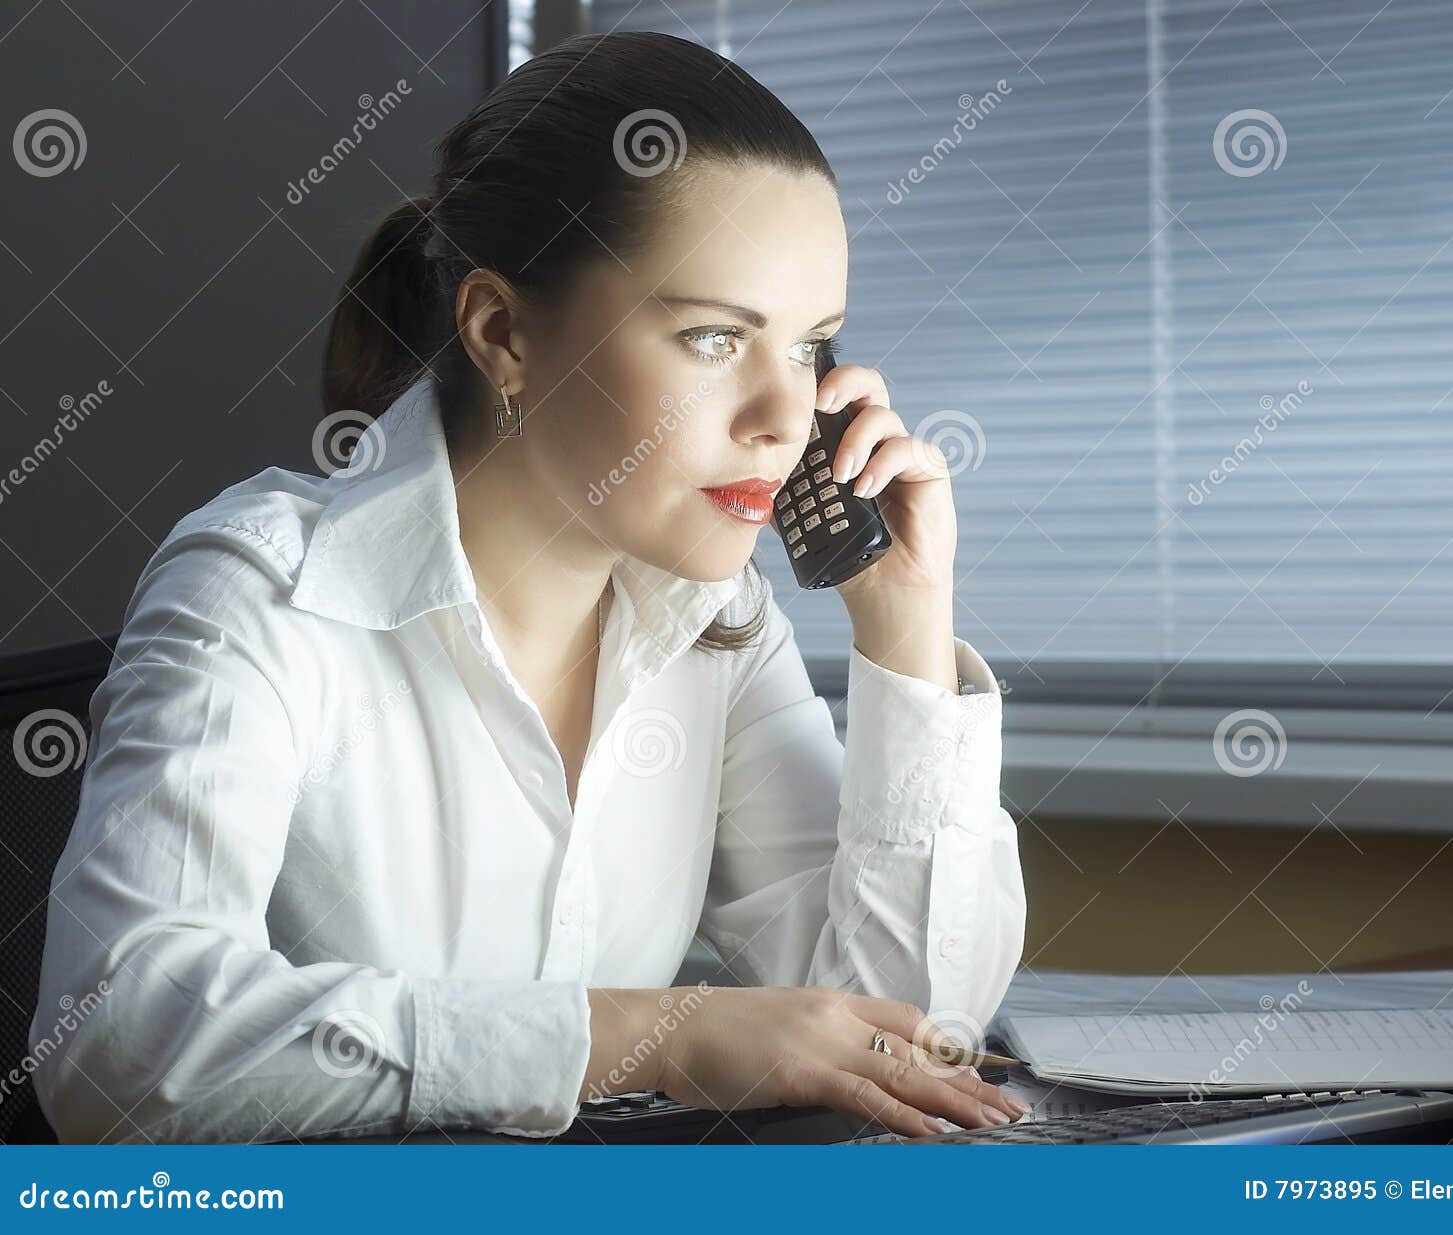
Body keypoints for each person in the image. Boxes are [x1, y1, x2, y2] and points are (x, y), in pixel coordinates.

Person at [29, 30, 1027, 1144]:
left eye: (808, 347)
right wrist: (650, 1034)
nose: (784, 419)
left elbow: (908, 1037)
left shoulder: (717, 623)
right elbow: (123, 1047)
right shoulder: (257, 594)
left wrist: (905, 618)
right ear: (503, 333)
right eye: (713, 337)